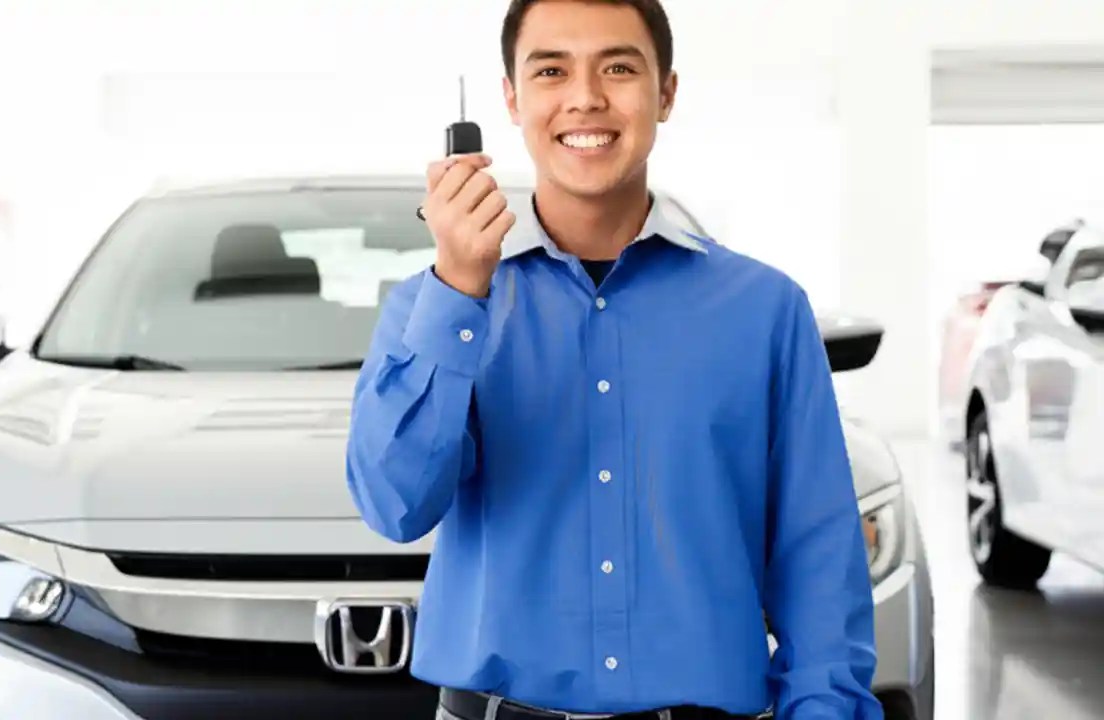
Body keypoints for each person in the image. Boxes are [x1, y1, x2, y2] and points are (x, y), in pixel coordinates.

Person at [345, 0, 883, 718]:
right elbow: (396, 506)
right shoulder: (433, 307)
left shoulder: (766, 311)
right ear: (512, 97)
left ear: (666, 92)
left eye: (619, 67)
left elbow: (820, 570)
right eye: (551, 69)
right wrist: (460, 288)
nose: (586, 97)